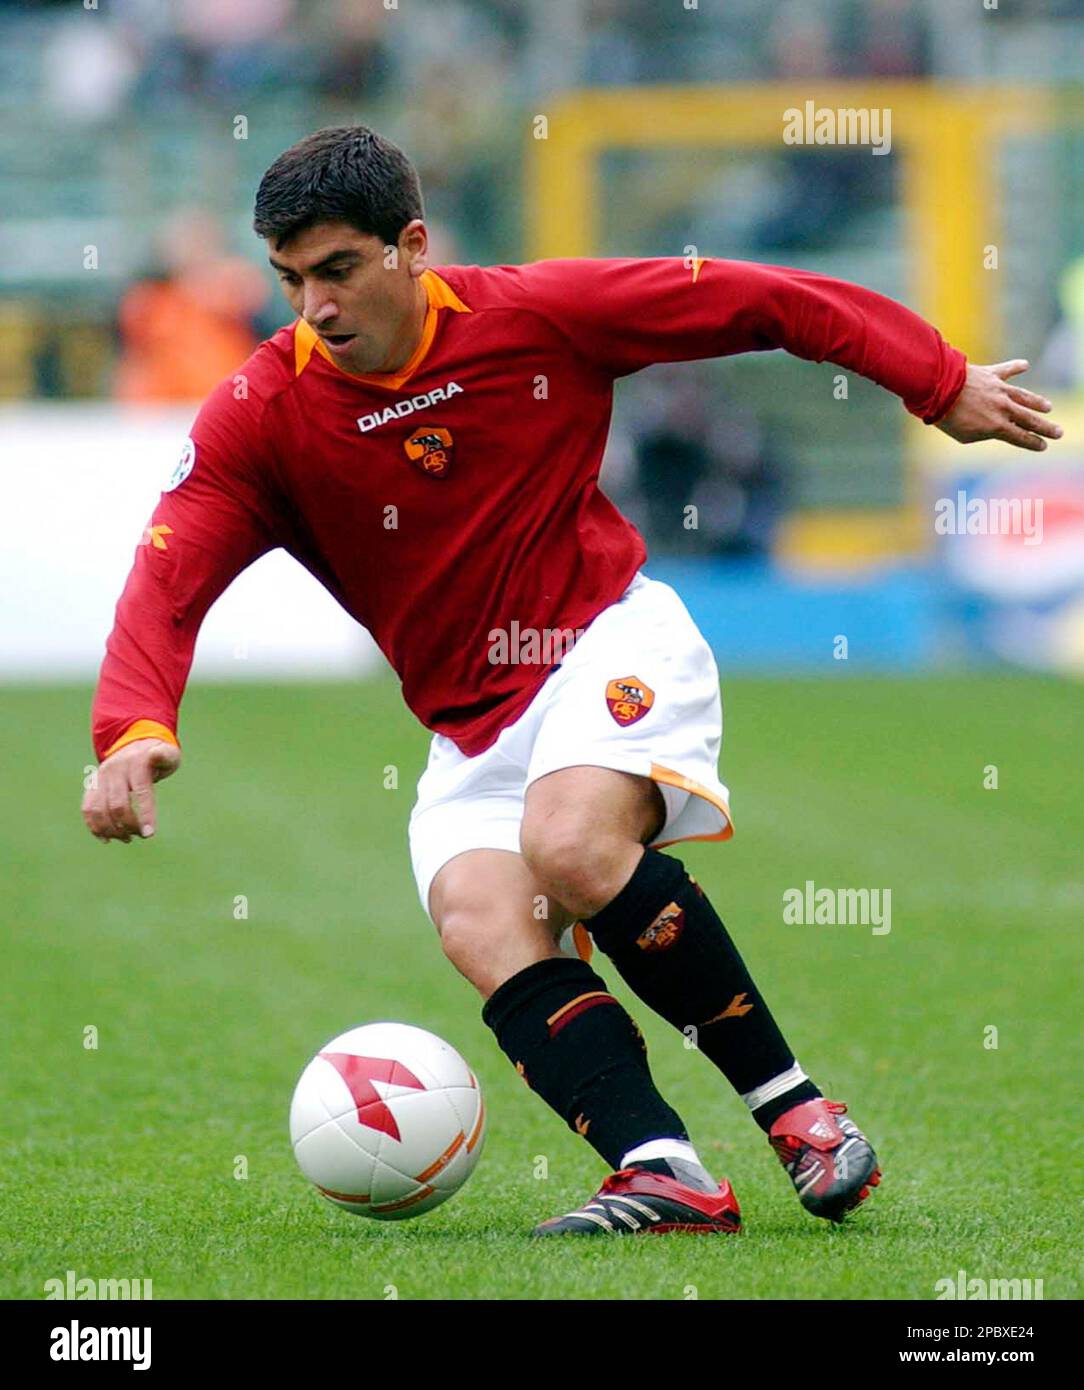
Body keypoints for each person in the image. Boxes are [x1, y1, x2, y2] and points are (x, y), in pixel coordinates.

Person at [82, 126, 1061, 1236]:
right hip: (469, 725)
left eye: (339, 270)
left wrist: (932, 379)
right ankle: (662, 1170)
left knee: (570, 843)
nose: (313, 305)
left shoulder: (535, 315)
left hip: (604, 641)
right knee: (477, 917)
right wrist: (133, 728)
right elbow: (168, 569)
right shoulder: (262, 415)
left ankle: (796, 1111)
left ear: (412, 246)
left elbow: (761, 298)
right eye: (290, 279)